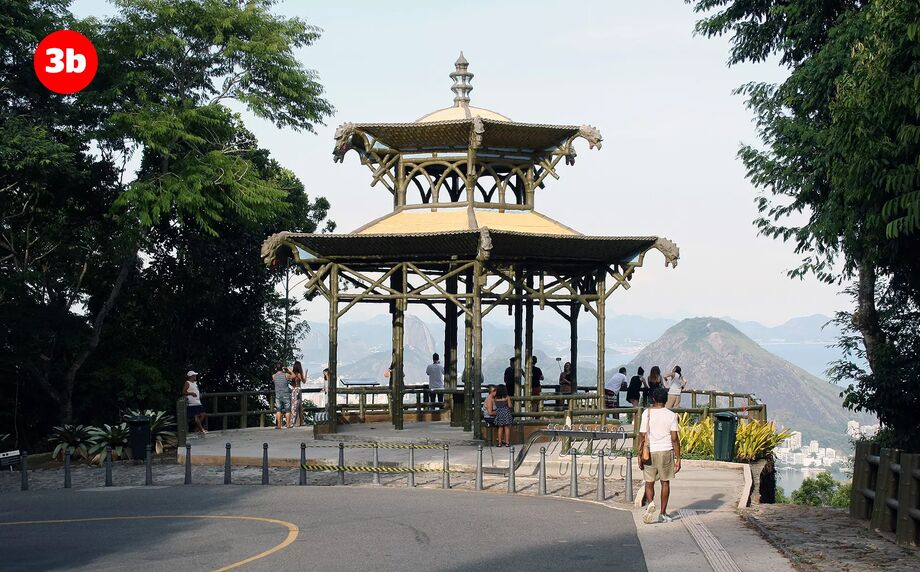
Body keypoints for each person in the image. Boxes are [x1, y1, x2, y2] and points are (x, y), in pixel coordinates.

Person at [638, 387, 681, 524]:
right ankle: (662, 513)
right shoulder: (671, 415)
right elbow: (674, 438)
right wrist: (678, 458)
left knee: (649, 482)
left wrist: (639, 454)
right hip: (666, 451)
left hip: (649, 451)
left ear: (653, 399)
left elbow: (642, 435)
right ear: (666, 400)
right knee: (665, 482)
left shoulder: (647, 413)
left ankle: (651, 503)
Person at [272, 364, 292, 429]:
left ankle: (279, 425)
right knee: (288, 410)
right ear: (282, 368)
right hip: (286, 394)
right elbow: (294, 376)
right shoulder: (286, 375)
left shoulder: (273, 376)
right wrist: (289, 370)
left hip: (278, 394)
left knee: (278, 410)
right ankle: (288, 425)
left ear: (276, 368)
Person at [291, 361, 306, 426]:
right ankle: (296, 422)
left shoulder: (292, 374)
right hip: (298, 390)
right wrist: (306, 373)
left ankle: (298, 422)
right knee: (298, 406)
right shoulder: (299, 374)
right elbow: (304, 381)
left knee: (295, 406)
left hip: (293, 390)